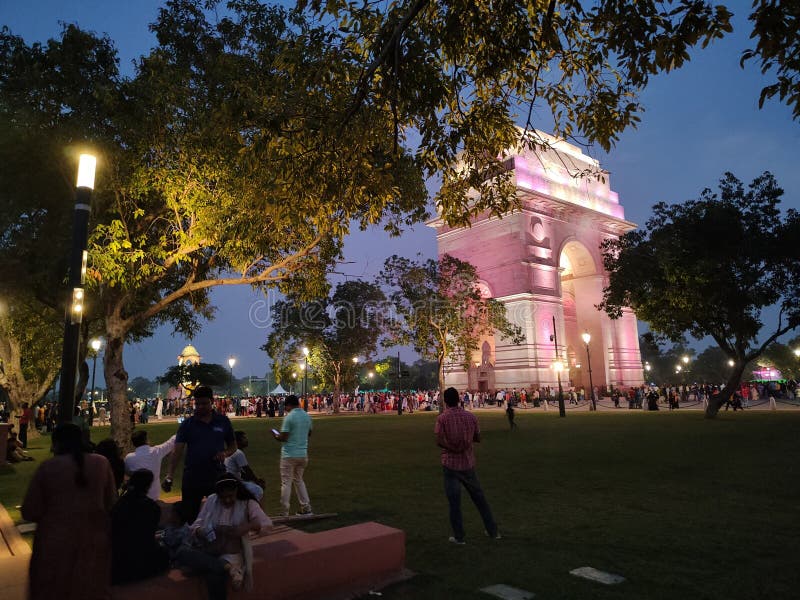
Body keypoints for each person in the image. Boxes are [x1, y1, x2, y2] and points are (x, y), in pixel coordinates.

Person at [21, 423, 117, 600]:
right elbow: (111, 502)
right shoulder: (101, 464)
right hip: (93, 544)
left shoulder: (48, 468)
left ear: (56, 443)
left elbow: (29, 511)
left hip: (55, 545)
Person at [176, 476, 271, 599]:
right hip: (208, 550)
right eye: (223, 497)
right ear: (218, 494)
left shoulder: (247, 503)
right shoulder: (211, 500)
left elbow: (266, 524)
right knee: (182, 552)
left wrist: (246, 527)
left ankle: (224, 566)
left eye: (230, 496)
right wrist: (203, 532)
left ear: (236, 491)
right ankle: (230, 569)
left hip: (230, 555)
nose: (227, 500)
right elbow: (196, 526)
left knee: (213, 575)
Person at [435, 387, 499, 545]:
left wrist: (451, 447)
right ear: (459, 399)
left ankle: (459, 537)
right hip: (467, 463)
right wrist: (467, 442)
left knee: (454, 503)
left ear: (445, 401)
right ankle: (493, 531)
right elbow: (478, 438)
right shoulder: (471, 416)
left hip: (450, 465)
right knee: (480, 499)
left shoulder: (442, 418)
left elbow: (439, 440)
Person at [164, 385, 237, 524]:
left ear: (212, 401)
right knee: (190, 518)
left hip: (216, 475)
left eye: (204, 403)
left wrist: (225, 453)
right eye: (197, 404)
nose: (200, 407)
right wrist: (169, 476)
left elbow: (233, 446)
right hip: (192, 477)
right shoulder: (187, 424)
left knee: (219, 516)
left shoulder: (223, 421)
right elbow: (177, 451)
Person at [111, 469, 170, 584]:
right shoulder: (153, 507)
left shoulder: (119, 504)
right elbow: (148, 535)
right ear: (148, 486)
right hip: (142, 559)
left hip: (120, 560)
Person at [272, 394, 313, 516]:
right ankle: (306, 508)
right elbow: (309, 432)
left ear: (289, 405)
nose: (285, 409)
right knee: (299, 480)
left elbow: (283, 437)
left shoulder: (289, 417)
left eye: (286, 406)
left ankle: (284, 511)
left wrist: (275, 435)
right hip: (303, 454)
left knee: (286, 482)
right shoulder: (306, 416)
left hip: (289, 454)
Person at [125, 429, 177, 500]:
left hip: (136, 496)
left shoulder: (129, 458)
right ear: (146, 440)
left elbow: (127, 473)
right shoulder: (156, 451)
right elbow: (171, 442)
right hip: (154, 495)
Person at [225, 430, 265, 502]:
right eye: (243, 438)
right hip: (233, 482)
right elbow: (247, 470)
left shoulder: (231, 451)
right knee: (258, 490)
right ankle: (255, 508)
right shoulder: (238, 452)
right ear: (237, 441)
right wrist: (257, 482)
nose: (246, 440)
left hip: (230, 480)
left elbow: (243, 473)